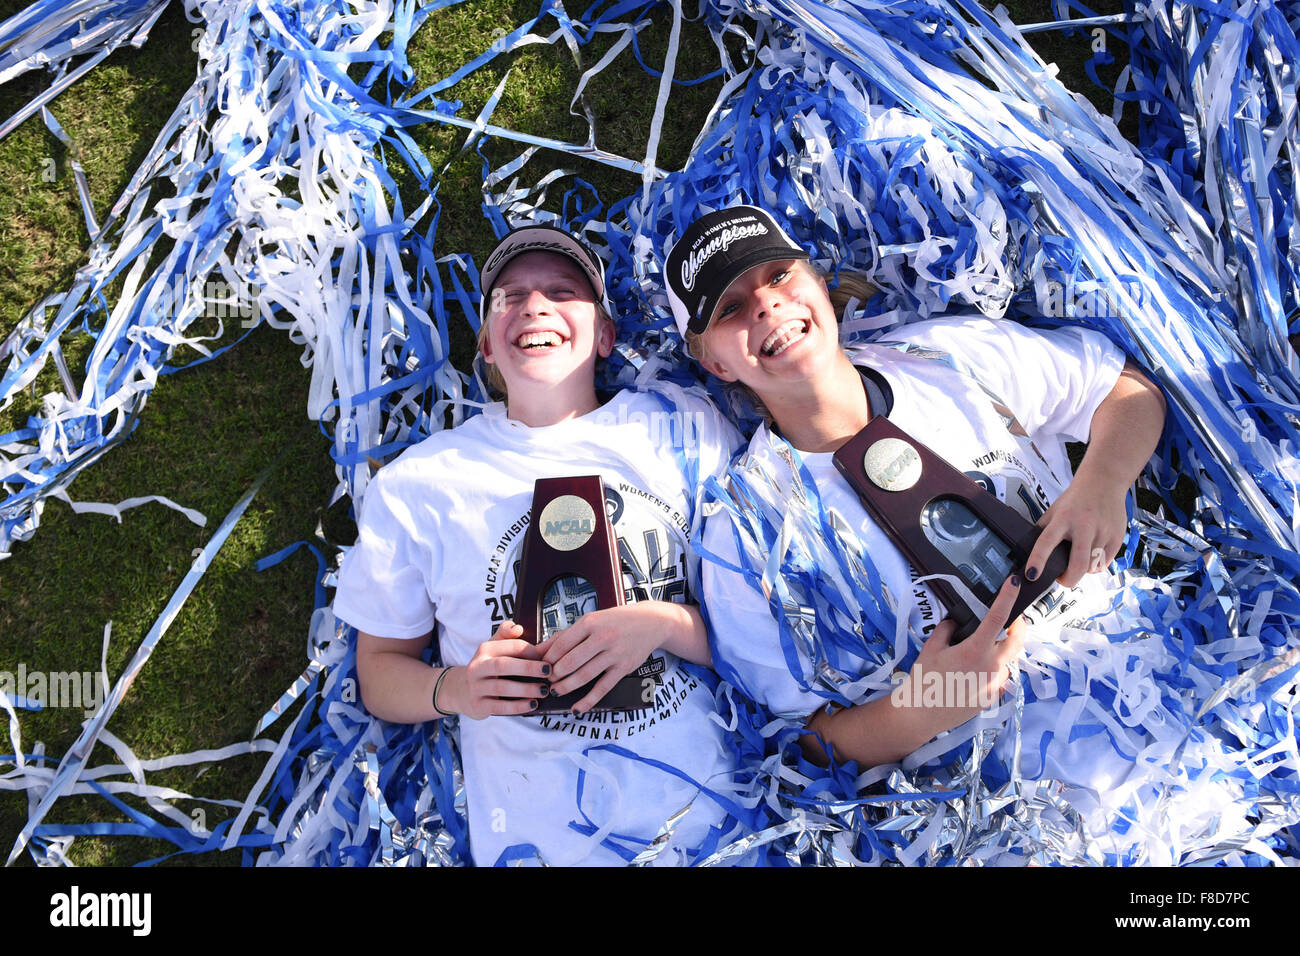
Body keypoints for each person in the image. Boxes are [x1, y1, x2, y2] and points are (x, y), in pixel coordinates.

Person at [666, 204, 1167, 773]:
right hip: (1013, 800)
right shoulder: (745, 532)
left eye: (779, 274)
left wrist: (1102, 483)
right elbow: (801, 740)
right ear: (716, 365)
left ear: (819, 286)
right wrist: (925, 709)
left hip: (1149, 675)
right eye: (731, 308)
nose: (765, 302)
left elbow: (1123, 388)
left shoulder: (949, 358)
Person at [332, 224, 744, 866]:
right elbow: (380, 674)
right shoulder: (420, 485)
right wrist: (459, 688)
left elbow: (770, 627)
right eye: (510, 298)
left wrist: (664, 625)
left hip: (719, 834)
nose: (534, 307)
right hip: (544, 847)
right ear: (488, 347)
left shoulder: (681, 430)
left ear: (606, 335)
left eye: (563, 291)